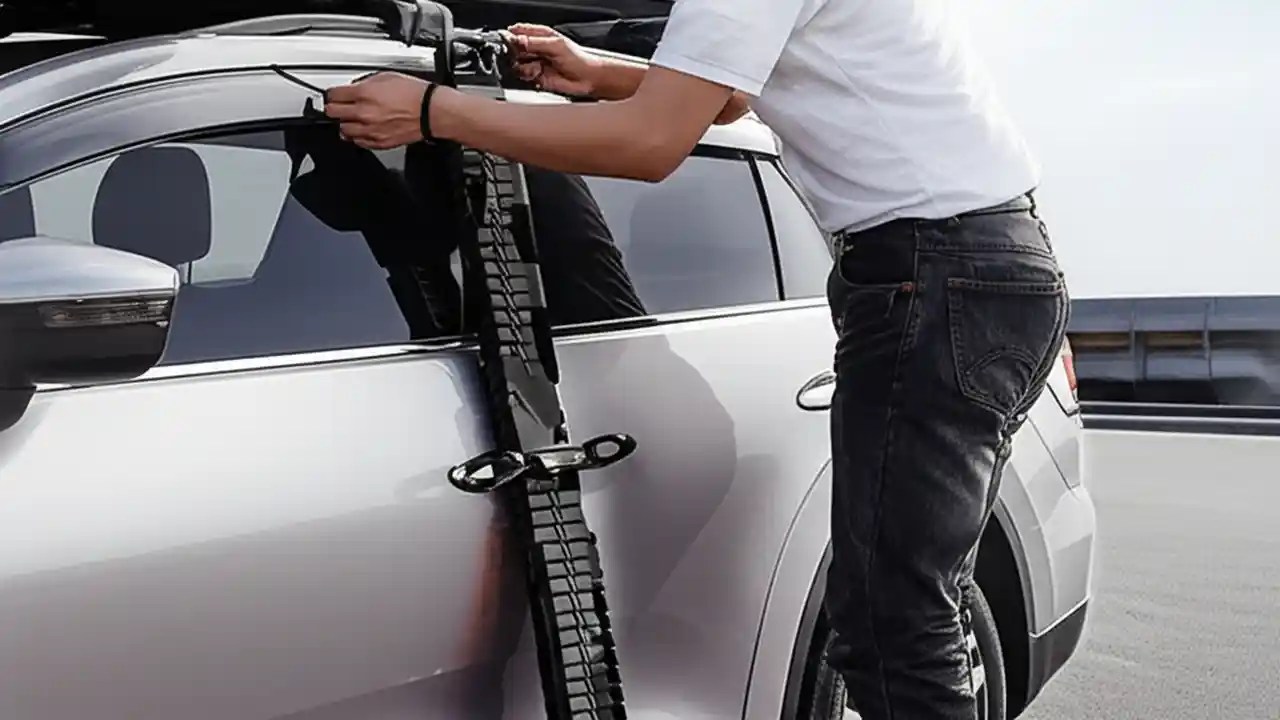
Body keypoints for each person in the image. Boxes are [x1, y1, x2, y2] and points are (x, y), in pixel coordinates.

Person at [322, 2, 1070, 717]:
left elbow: (652, 144)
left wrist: (431, 113)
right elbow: (732, 95)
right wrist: (595, 74)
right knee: (908, 611)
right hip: (966, 269)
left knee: (891, 624)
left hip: (936, 275)